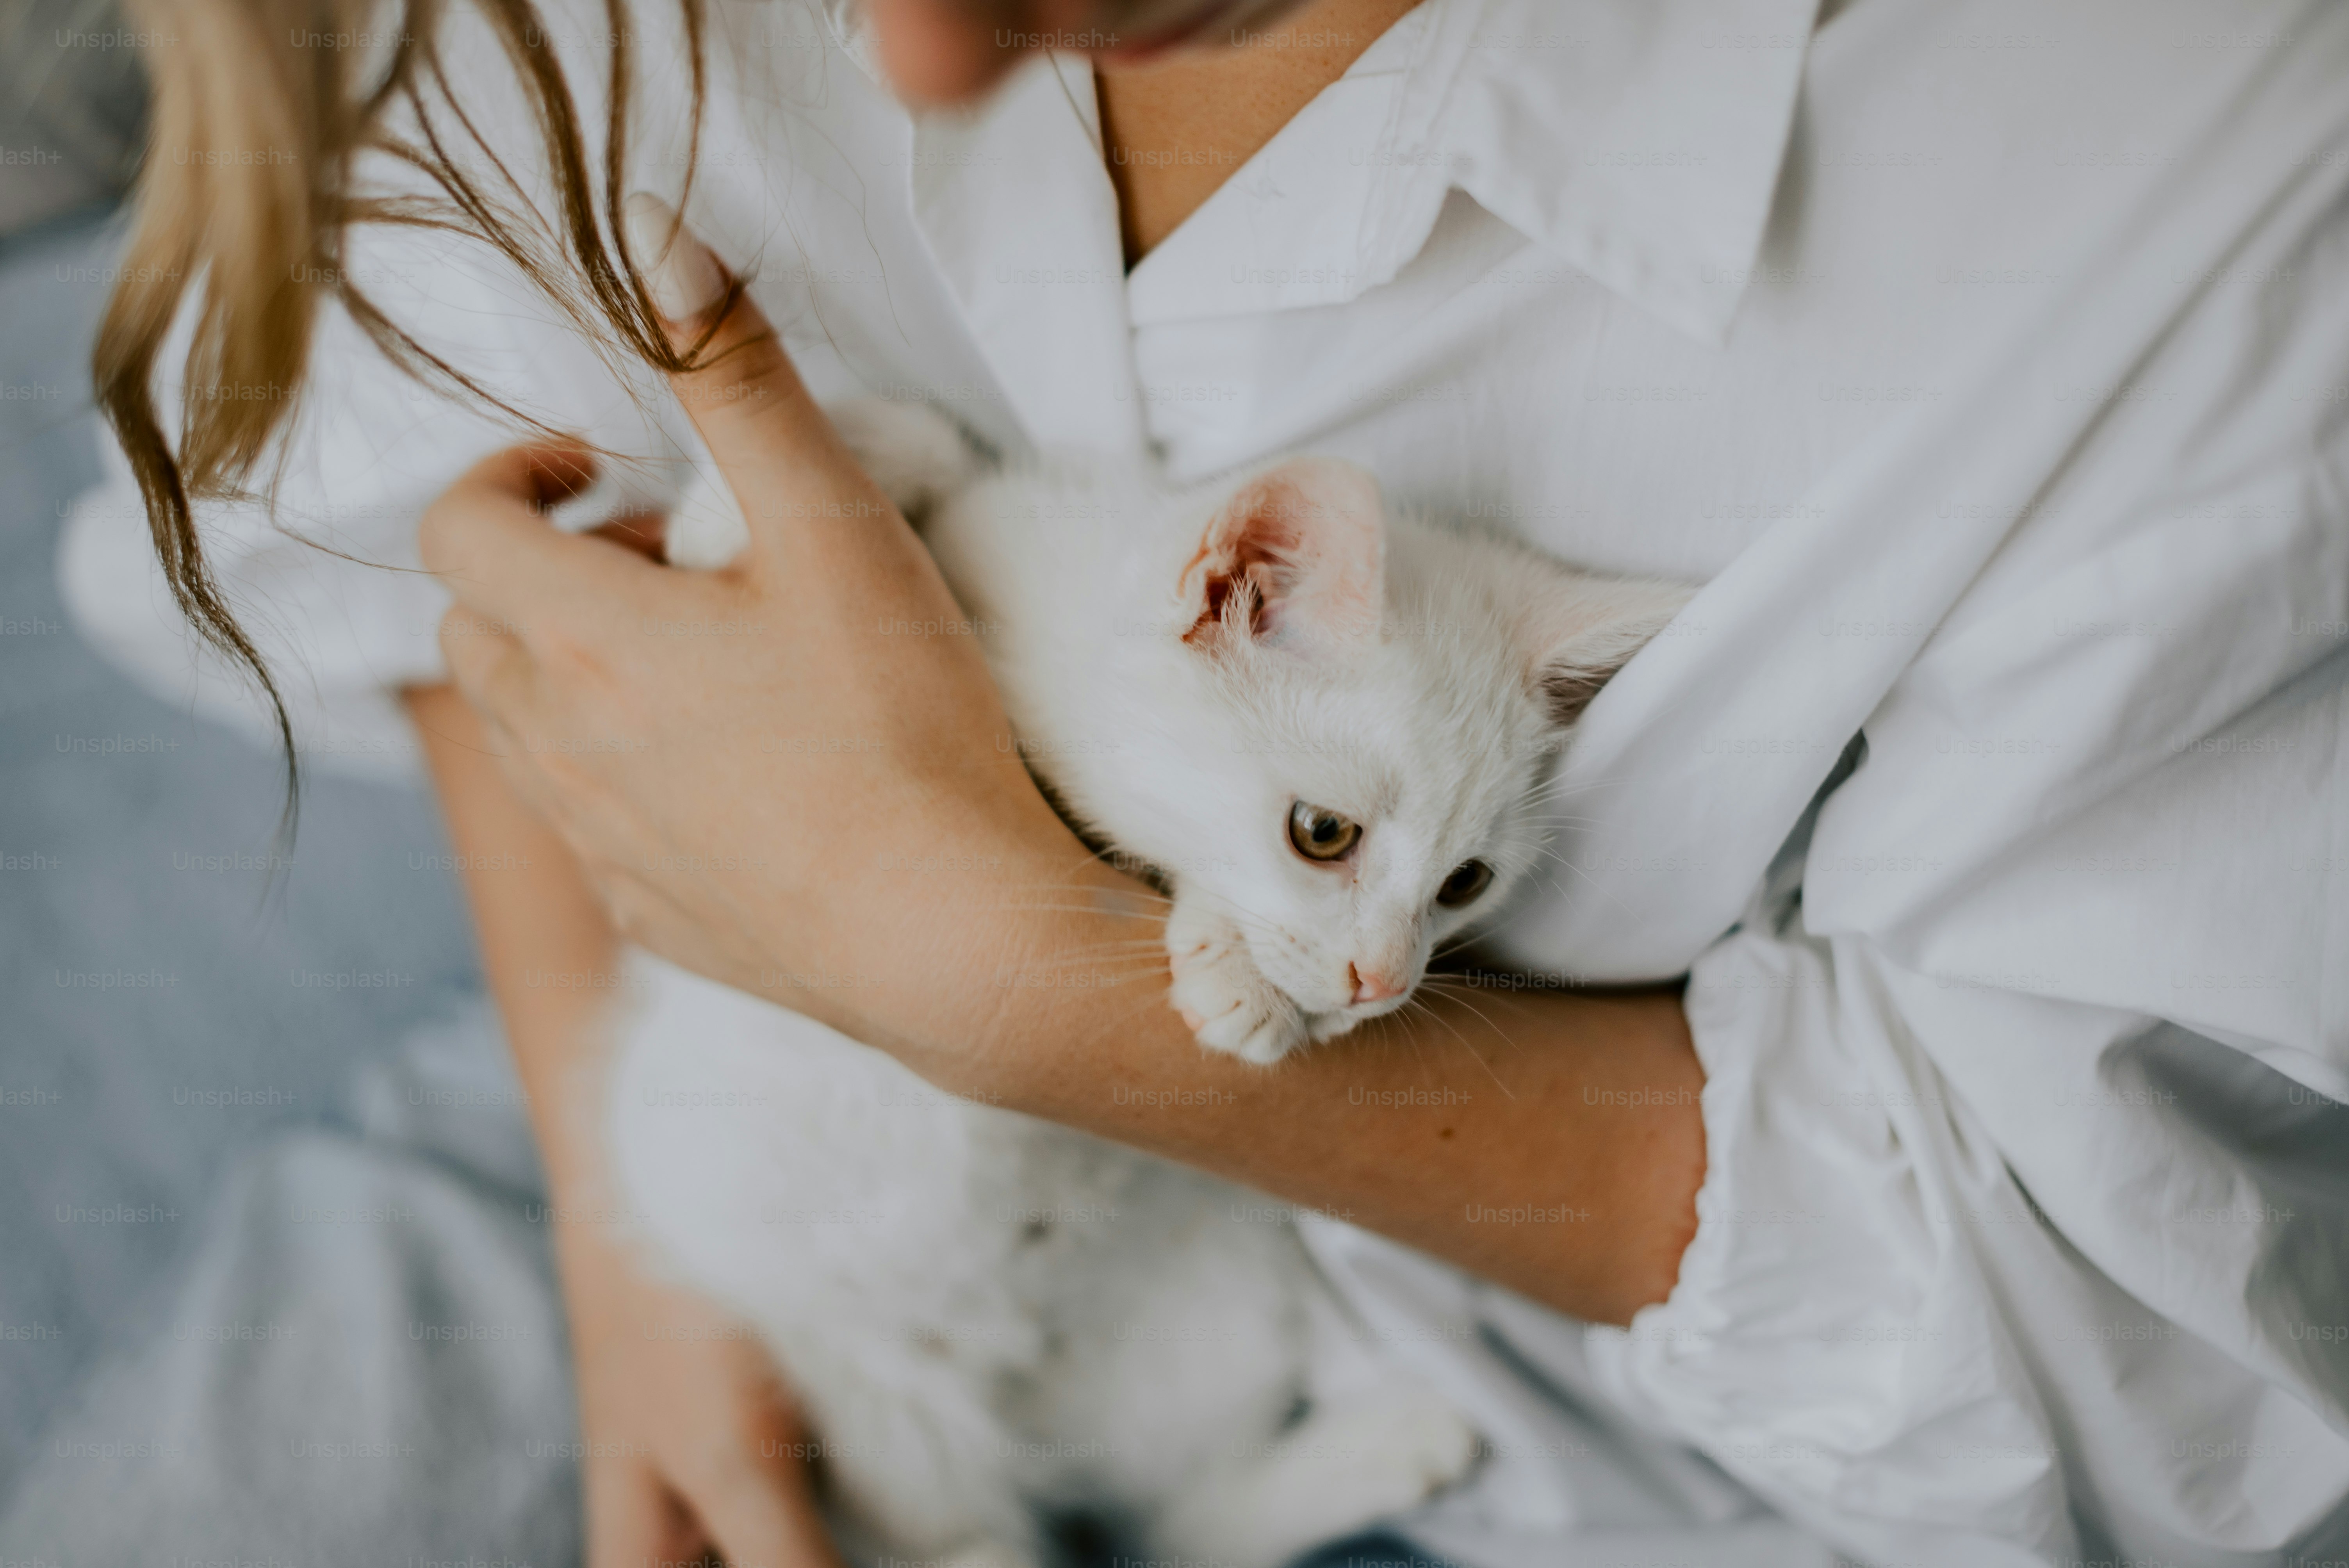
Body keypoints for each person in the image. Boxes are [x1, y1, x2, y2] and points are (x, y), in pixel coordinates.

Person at [53, 0, 2349, 1563]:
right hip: (672, 1060)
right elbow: (415, 495)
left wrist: (1031, 991)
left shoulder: (2216, 174)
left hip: (1598, 1401)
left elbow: (2170, 1377)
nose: (917, 53)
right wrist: (629, 1235)